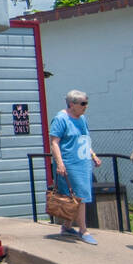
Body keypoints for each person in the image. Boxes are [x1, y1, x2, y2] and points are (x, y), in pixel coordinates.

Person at [49, 90, 101, 244]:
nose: (85, 107)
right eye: (82, 103)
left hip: (83, 162)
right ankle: (83, 230)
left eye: (86, 103)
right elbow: (54, 142)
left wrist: (93, 155)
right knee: (80, 196)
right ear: (72, 104)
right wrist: (59, 163)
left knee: (72, 196)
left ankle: (67, 226)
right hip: (70, 162)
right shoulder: (60, 119)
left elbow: (84, 139)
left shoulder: (82, 119)